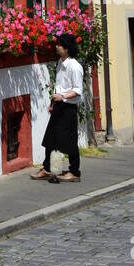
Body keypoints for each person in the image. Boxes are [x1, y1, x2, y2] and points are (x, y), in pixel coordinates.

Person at [31, 34, 83, 182]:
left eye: (59, 44)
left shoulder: (75, 67)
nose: (56, 46)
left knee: (69, 141)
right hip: (59, 105)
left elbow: (78, 90)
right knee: (51, 139)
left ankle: (74, 172)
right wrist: (53, 103)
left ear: (67, 48)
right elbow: (59, 85)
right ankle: (49, 169)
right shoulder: (61, 62)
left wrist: (63, 97)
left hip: (68, 108)